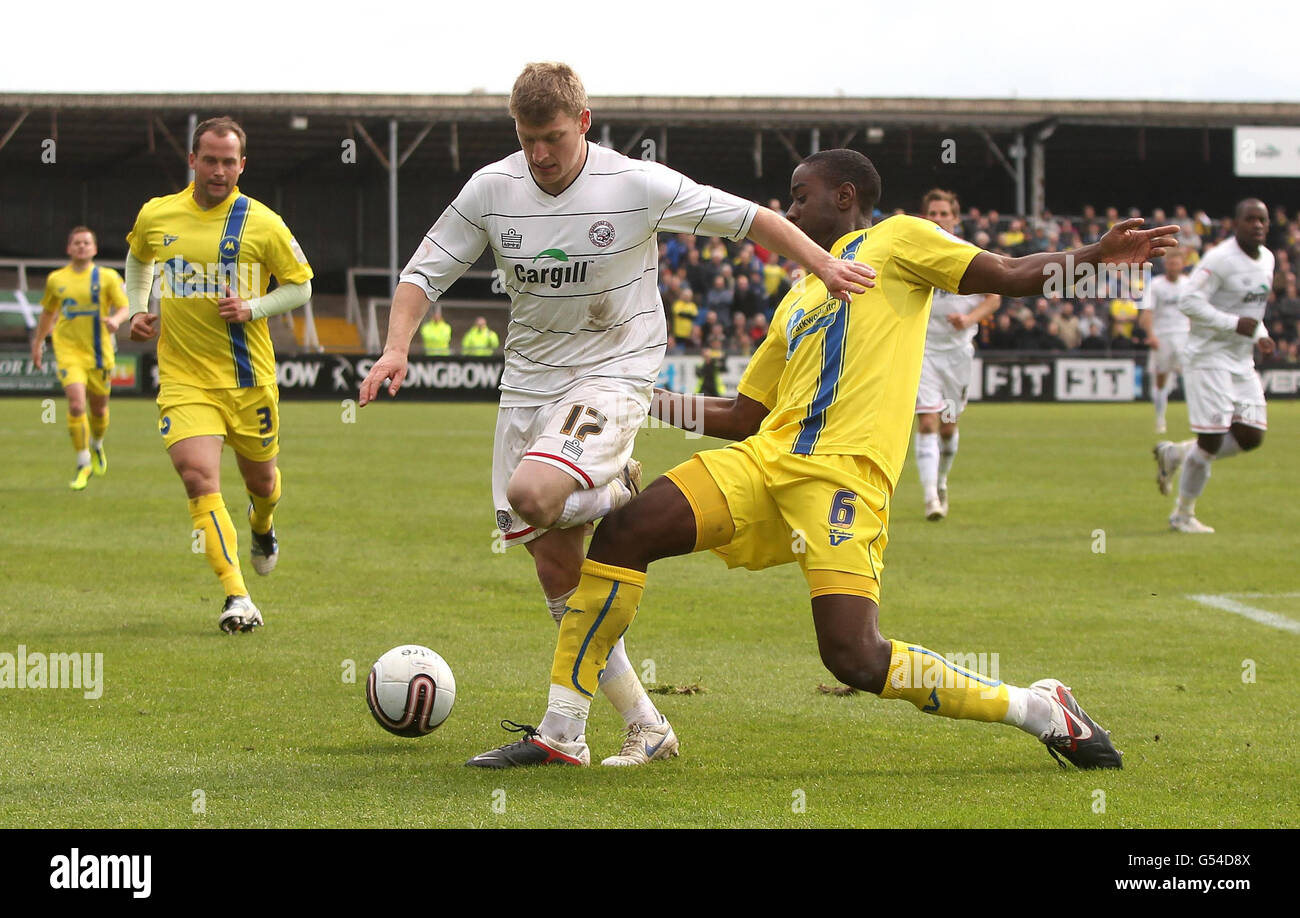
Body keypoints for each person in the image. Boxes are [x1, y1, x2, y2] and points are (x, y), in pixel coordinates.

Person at [466, 148, 1176, 770]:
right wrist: (646, 400)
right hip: (763, 465)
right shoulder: (798, 296)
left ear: (845, 196)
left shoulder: (899, 240)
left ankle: (1040, 708)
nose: (788, 205)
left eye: (800, 194)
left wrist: (1091, 261)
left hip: (843, 479)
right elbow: (745, 416)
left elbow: (1012, 272)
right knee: (624, 535)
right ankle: (565, 731)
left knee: (854, 659)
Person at [359, 63, 871, 767]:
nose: (540, 153)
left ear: (584, 124)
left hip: (614, 372)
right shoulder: (492, 189)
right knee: (557, 568)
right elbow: (424, 271)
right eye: (528, 137)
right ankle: (629, 727)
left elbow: (750, 218)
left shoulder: (635, 184)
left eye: (554, 138)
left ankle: (616, 485)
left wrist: (821, 264)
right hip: (528, 388)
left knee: (533, 495)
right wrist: (395, 347)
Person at [125, 116, 314, 633]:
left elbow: (301, 287)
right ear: (192, 159)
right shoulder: (157, 214)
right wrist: (135, 308)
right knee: (197, 477)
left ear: (242, 165)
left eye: (229, 161)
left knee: (264, 483)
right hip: (184, 378)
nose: (219, 170)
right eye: (210, 159)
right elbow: (139, 258)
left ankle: (263, 524)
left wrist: (253, 307)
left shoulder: (263, 223)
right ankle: (237, 597)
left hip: (248, 379)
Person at [1154, 199, 1275, 533]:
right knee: (1211, 439)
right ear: (1235, 224)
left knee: (1251, 436)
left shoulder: (1268, 259)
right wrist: (1233, 324)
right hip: (1207, 356)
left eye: (1262, 220)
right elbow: (1188, 301)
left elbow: (1254, 310)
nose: (1257, 225)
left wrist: (1260, 334)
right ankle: (1182, 515)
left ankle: (1177, 454)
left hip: (1240, 358)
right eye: (1250, 219)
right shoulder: (1220, 259)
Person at [912, 190, 1000, 521]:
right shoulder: (914, 255)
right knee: (928, 421)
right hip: (924, 353)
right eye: (931, 213)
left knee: (948, 428)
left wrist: (968, 319)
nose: (937, 218)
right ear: (924, 218)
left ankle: (942, 481)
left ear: (954, 218)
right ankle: (930, 498)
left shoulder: (970, 255)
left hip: (958, 354)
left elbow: (993, 298)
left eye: (943, 213)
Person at [32, 227, 130, 490]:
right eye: (77, 243)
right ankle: (82, 460)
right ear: (69, 248)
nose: (82, 246)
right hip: (68, 351)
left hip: (99, 353)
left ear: (95, 249)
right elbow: (48, 313)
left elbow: (124, 306)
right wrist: (39, 342)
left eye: (86, 243)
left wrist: (116, 321)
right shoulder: (56, 279)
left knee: (98, 410)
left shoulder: (107, 277)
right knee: (76, 406)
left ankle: (97, 445)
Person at [1139, 248, 1191, 434]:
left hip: (1185, 336)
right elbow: (1147, 312)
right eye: (1170, 263)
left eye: (1176, 263)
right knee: (1161, 380)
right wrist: (1151, 335)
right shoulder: (1156, 285)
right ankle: (1160, 419)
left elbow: (1194, 311)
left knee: (1193, 377)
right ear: (1165, 265)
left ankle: (1198, 418)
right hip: (1162, 337)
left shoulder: (1188, 284)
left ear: (1182, 265)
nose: (1173, 267)